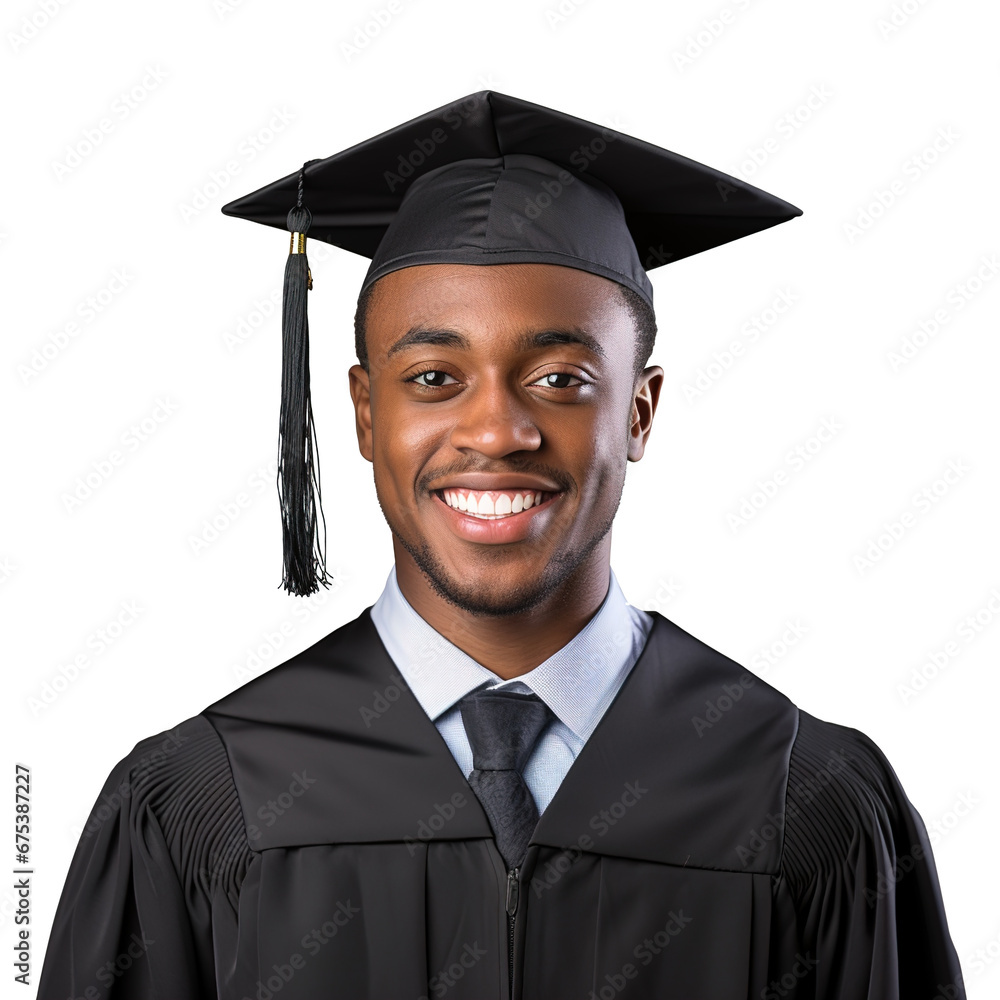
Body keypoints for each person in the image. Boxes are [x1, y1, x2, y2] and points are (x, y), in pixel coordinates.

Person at [37, 90, 966, 1000]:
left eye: (560, 378)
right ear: (365, 414)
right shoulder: (203, 799)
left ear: (638, 412)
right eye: (435, 376)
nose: (496, 430)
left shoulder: (807, 800)